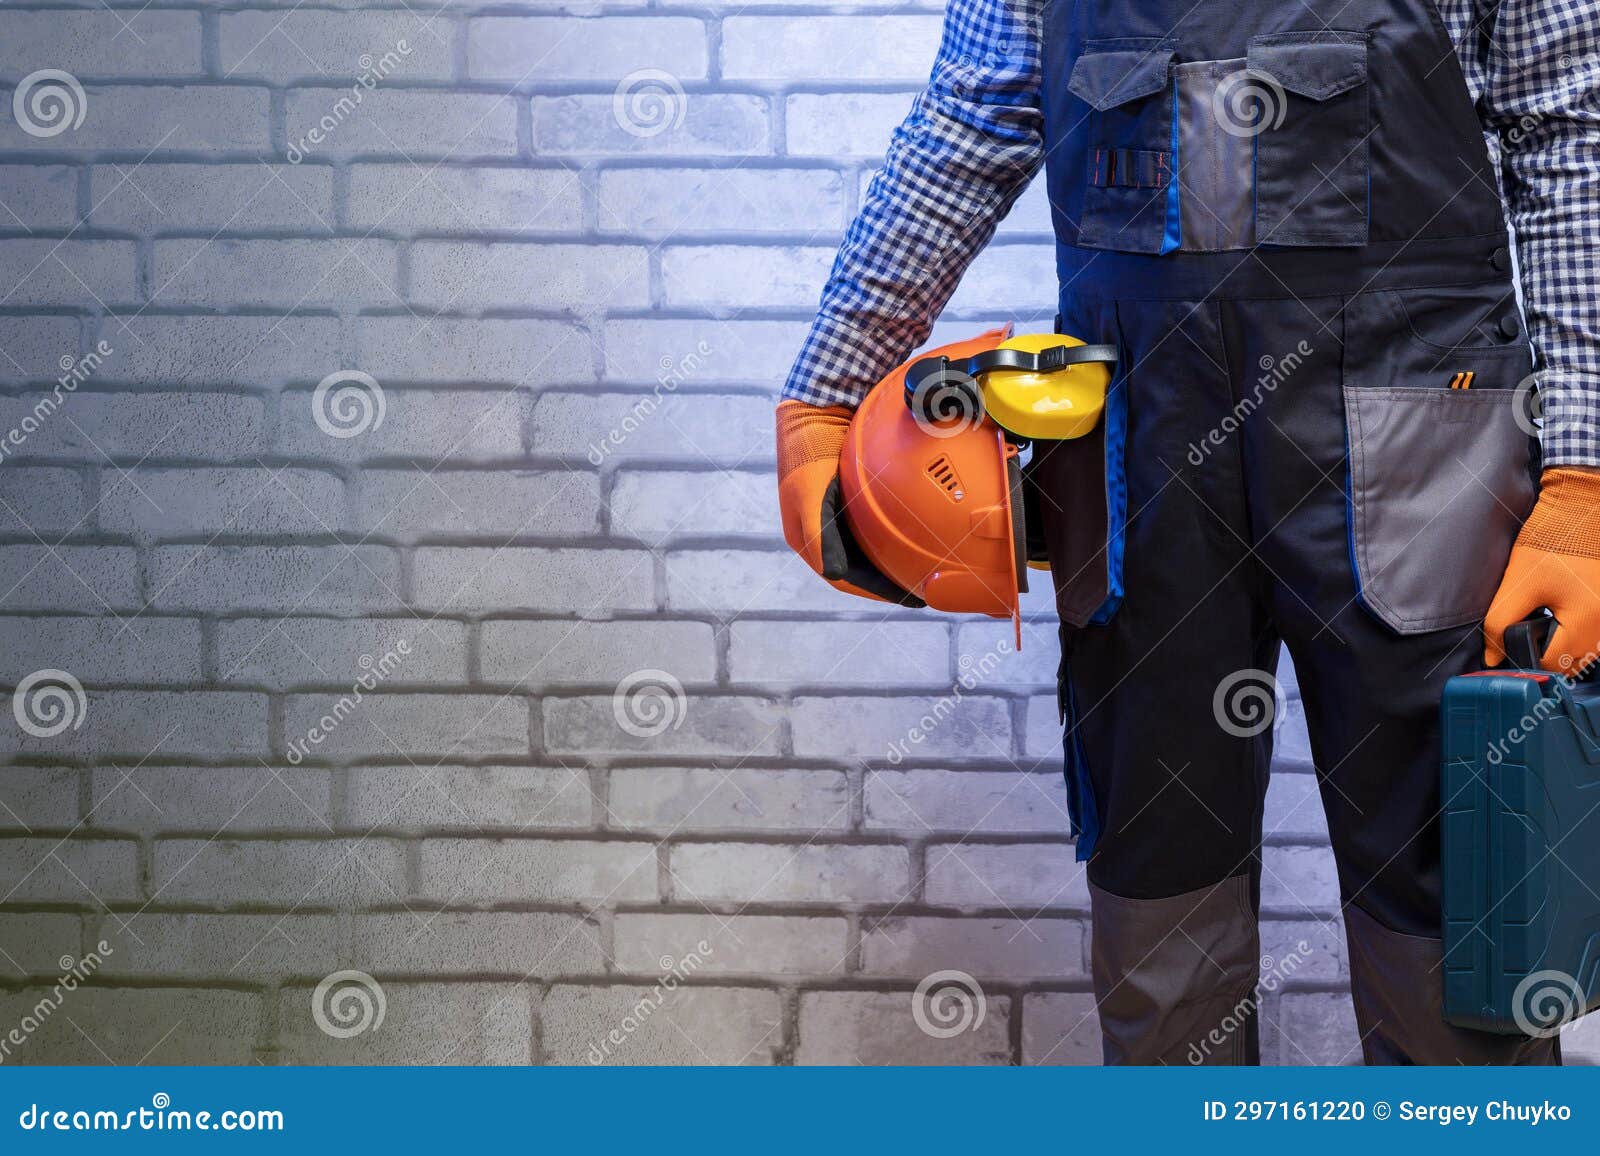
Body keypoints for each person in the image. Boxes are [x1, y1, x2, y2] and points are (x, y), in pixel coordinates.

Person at [775, 0, 1600, 1064]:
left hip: (1422, 433)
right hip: (1141, 451)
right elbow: (971, 115)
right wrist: (831, 386)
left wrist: (1580, 479)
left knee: (1450, 908)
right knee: (1154, 900)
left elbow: (1569, 126)